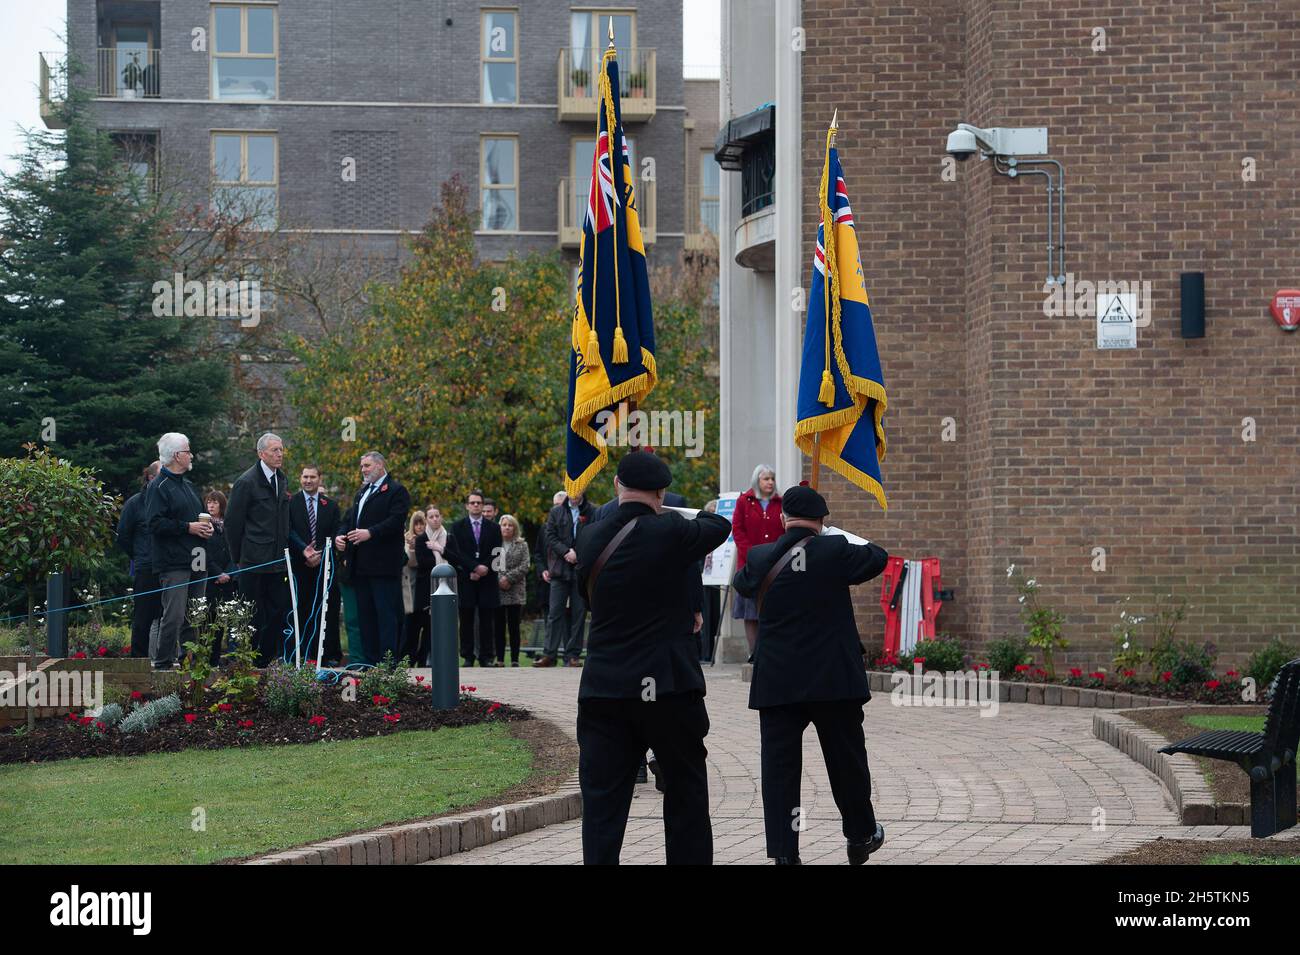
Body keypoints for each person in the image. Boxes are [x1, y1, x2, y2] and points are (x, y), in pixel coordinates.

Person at [575, 451, 732, 865]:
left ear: (616, 487)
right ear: (661, 493)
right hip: (669, 686)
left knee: (603, 802)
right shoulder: (671, 531)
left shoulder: (589, 536)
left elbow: (585, 597)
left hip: (605, 686)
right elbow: (719, 525)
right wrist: (689, 510)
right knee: (685, 792)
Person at [732, 484, 890, 866]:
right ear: (822, 521)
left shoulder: (760, 556)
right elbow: (877, 557)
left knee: (780, 772)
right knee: (846, 761)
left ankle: (786, 853)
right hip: (833, 680)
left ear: (784, 518)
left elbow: (742, 584)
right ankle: (859, 834)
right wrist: (837, 536)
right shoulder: (835, 551)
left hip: (778, 681)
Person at [334, 451, 411, 665]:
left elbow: (396, 521)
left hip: (384, 567)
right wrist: (340, 536)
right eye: (362, 466)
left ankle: (387, 663)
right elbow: (349, 520)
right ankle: (369, 663)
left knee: (386, 616)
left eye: (367, 465)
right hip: (361, 567)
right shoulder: (362, 492)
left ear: (380, 465)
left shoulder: (396, 491)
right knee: (365, 617)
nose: (363, 470)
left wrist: (371, 533)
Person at [143, 433, 210, 670]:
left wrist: (206, 529)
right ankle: (162, 663)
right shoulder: (157, 486)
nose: (191, 455)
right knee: (174, 615)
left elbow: (197, 520)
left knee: (195, 614)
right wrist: (188, 528)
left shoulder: (190, 487)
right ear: (176, 456)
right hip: (173, 563)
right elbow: (154, 524)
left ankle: (189, 662)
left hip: (196, 561)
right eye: (188, 451)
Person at [225, 432, 291, 666]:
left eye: (281, 449)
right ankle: (245, 660)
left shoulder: (281, 479)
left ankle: (264, 660)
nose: (280, 454)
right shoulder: (246, 482)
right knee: (250, 614)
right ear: (261, 453)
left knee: (277, 612)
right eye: (275, 450)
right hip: (252, 561)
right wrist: (238, 559)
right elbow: (233, 524)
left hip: (277, 561)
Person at [288, 466, 343, 666]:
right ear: (300, 478)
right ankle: (302, 654)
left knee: (326, 609)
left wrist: (319, 553)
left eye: (312, 477)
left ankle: (329, 655)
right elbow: (289, 530)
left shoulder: (331, 505)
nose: (308, 480)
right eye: (305, 477)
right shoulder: (290, 503)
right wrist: (304, 550)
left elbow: (336, 532)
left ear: (320, 479)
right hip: (299, 565)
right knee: (301, 609)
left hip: (324, 564)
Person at [444, 490, 501, 667]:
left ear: (483, 505)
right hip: (466, 577)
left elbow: (498, 552)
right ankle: (468, 656)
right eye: (473, 502)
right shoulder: (457, 526)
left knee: (486, 619)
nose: (476, 505)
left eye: (479, 502)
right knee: (466, 619)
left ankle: (486, 656)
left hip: (487, 578)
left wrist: (484, 567)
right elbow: (453, 553)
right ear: (467, 506)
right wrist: (473, 567)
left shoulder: (494, 528)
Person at [538, 489, 595, 667]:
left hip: (581, 569)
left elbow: (595, 534)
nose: (575, 494)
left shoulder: (592, 511)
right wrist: (566, 552)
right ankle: (549, 654)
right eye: (572, 490)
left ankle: (573, 655)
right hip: (559, 569)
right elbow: (550, 536)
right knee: (555, 613)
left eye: (578, 490)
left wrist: (579, 553)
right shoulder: (556, 512)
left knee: (579, 613)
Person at [731, 464, 782, 659]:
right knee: (751, 611)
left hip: (774, 566)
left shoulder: (781, 502)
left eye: (772, 479)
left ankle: (770, 652)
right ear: (757, 481)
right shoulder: (744, 501)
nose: (770, 482)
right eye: (766, 479)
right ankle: (754, 653)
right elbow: (738, 530)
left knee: (771, 609)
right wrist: (752, 555)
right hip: (749, 566)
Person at [115, 460, 161, 658]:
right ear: (151, 477)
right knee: (143, 617)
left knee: (168, 617)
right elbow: (123, 535)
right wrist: (139, 555)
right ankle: (138, 660)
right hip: (146, 567)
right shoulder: (135, 503)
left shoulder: (169, 500)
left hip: (170, 566)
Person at [201, 490, 238, 664]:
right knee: (210, 623)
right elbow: (202, 554)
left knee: (231, 623)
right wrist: (217, 573)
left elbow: (235, 552)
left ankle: (230, 661)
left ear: (222, 505)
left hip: (229, 581)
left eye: (215, 502)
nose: (211, 505)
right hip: (211, 580)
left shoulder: (230, 526)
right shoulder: (203, 525)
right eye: (209, 502)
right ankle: (210, 661)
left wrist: (228, 573)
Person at [494, 514, 531, 666]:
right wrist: (500, 579)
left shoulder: (522, 545)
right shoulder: (495, 544)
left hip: (515, 590)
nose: (507, 527)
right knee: (499, 626)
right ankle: (500, 659)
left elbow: (525, 565)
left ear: (515, 528)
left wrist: (508, 578)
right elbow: (494, 566)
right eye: (504, 525)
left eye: (510, 525)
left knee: (514, 626)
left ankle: (515, 659)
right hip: (498, 591)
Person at [403, 510, 434, 665]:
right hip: (409, 586)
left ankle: (423, 658)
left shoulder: (427, 539)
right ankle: (408, 658)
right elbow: (410, 562)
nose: (419, 526)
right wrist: (413, 549)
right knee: (410, 627)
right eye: (417, 523)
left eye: (422, 523)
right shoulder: (407, 539)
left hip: (424, 587)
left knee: (426, 625)